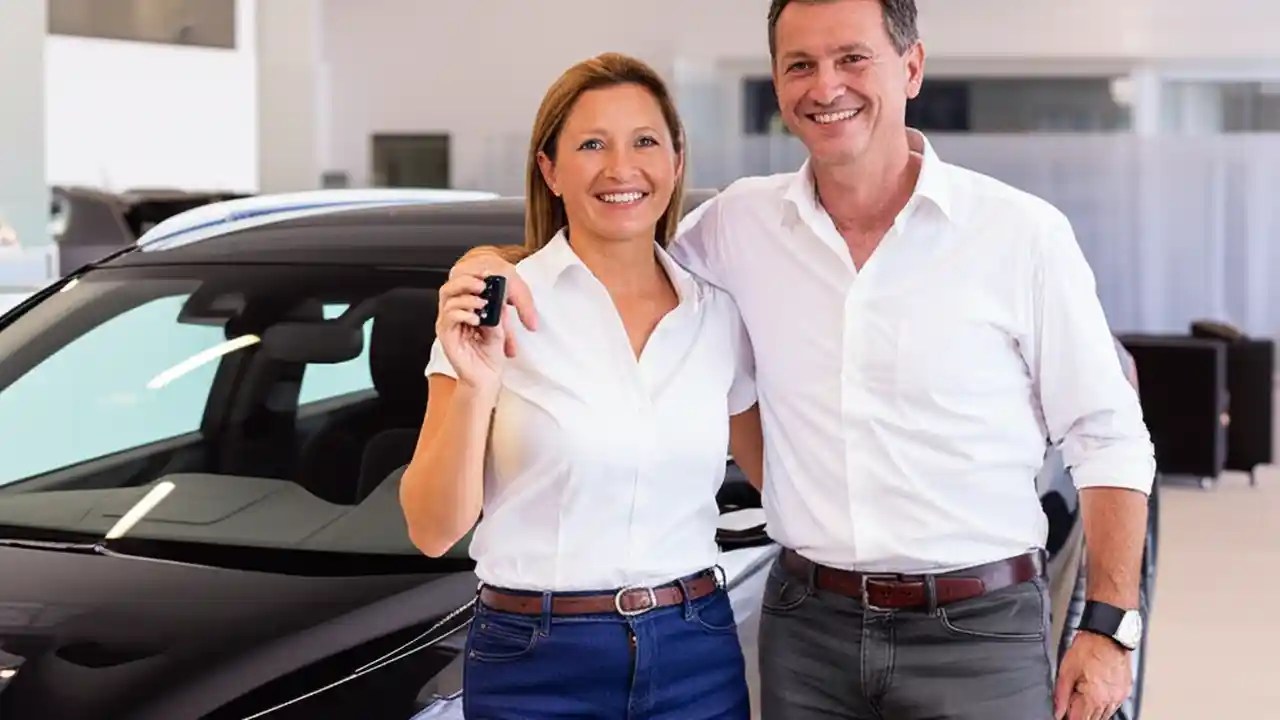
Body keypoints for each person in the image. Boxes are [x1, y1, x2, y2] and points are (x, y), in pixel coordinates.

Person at [450, 2, 1156, 719]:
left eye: (852, 58)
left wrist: (1110, 627)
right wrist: (492, 265)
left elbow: (1108, 440)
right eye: (800, 65)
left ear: (910, 67)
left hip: (977, 631)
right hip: (808, 630)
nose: (825, 87)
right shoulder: (736, 228)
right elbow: (615, 257)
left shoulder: (1019, 235)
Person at [398, 52, 763, 720]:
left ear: (677, 161)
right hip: (535, 662)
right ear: (550, 170)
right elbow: (430, 527)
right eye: (592, 144)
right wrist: (478, 383)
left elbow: (784, 479)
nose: (622, 168)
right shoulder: (496, 305)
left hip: (695, 651)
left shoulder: (718, 316)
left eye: (644, 141)